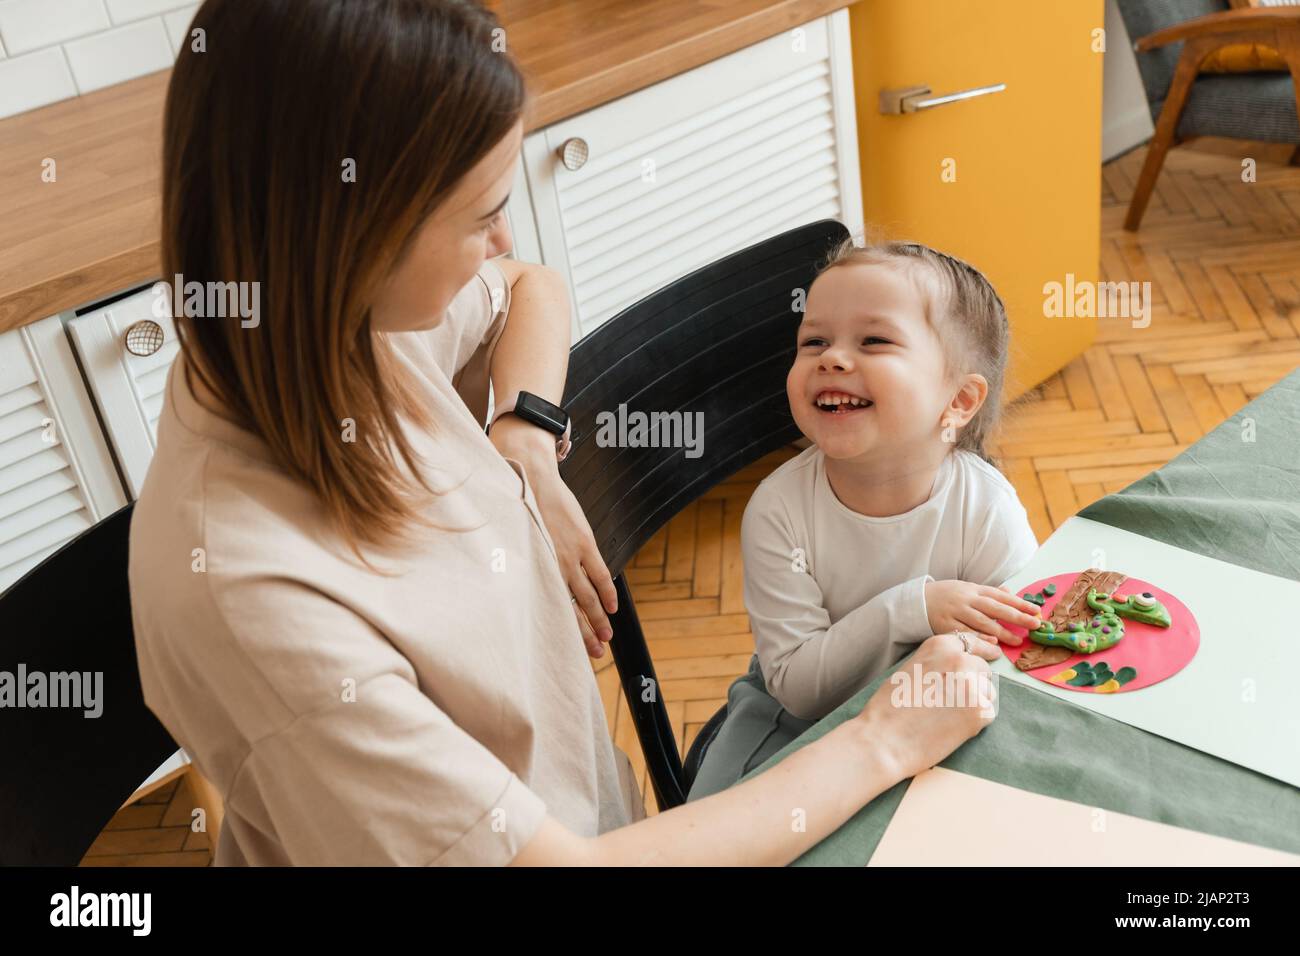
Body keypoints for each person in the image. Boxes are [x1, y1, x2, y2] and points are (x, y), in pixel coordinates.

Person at [128, 0, 998, 866]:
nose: (502, 236)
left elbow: (530, 288)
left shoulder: (337, 327)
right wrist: (882, 741)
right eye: (480, 216)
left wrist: (526, 442)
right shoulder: (254, 597)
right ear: (353, 232)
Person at [741, 237, 1044, 723]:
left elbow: (1019, 646)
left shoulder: (985, 505)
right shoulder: (778, 511)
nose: (831, 359)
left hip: (948, 714)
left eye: (874, 341)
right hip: (806, 730)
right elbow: (799, 689)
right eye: (814, 341)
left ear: (960, 400)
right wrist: (914, 610)